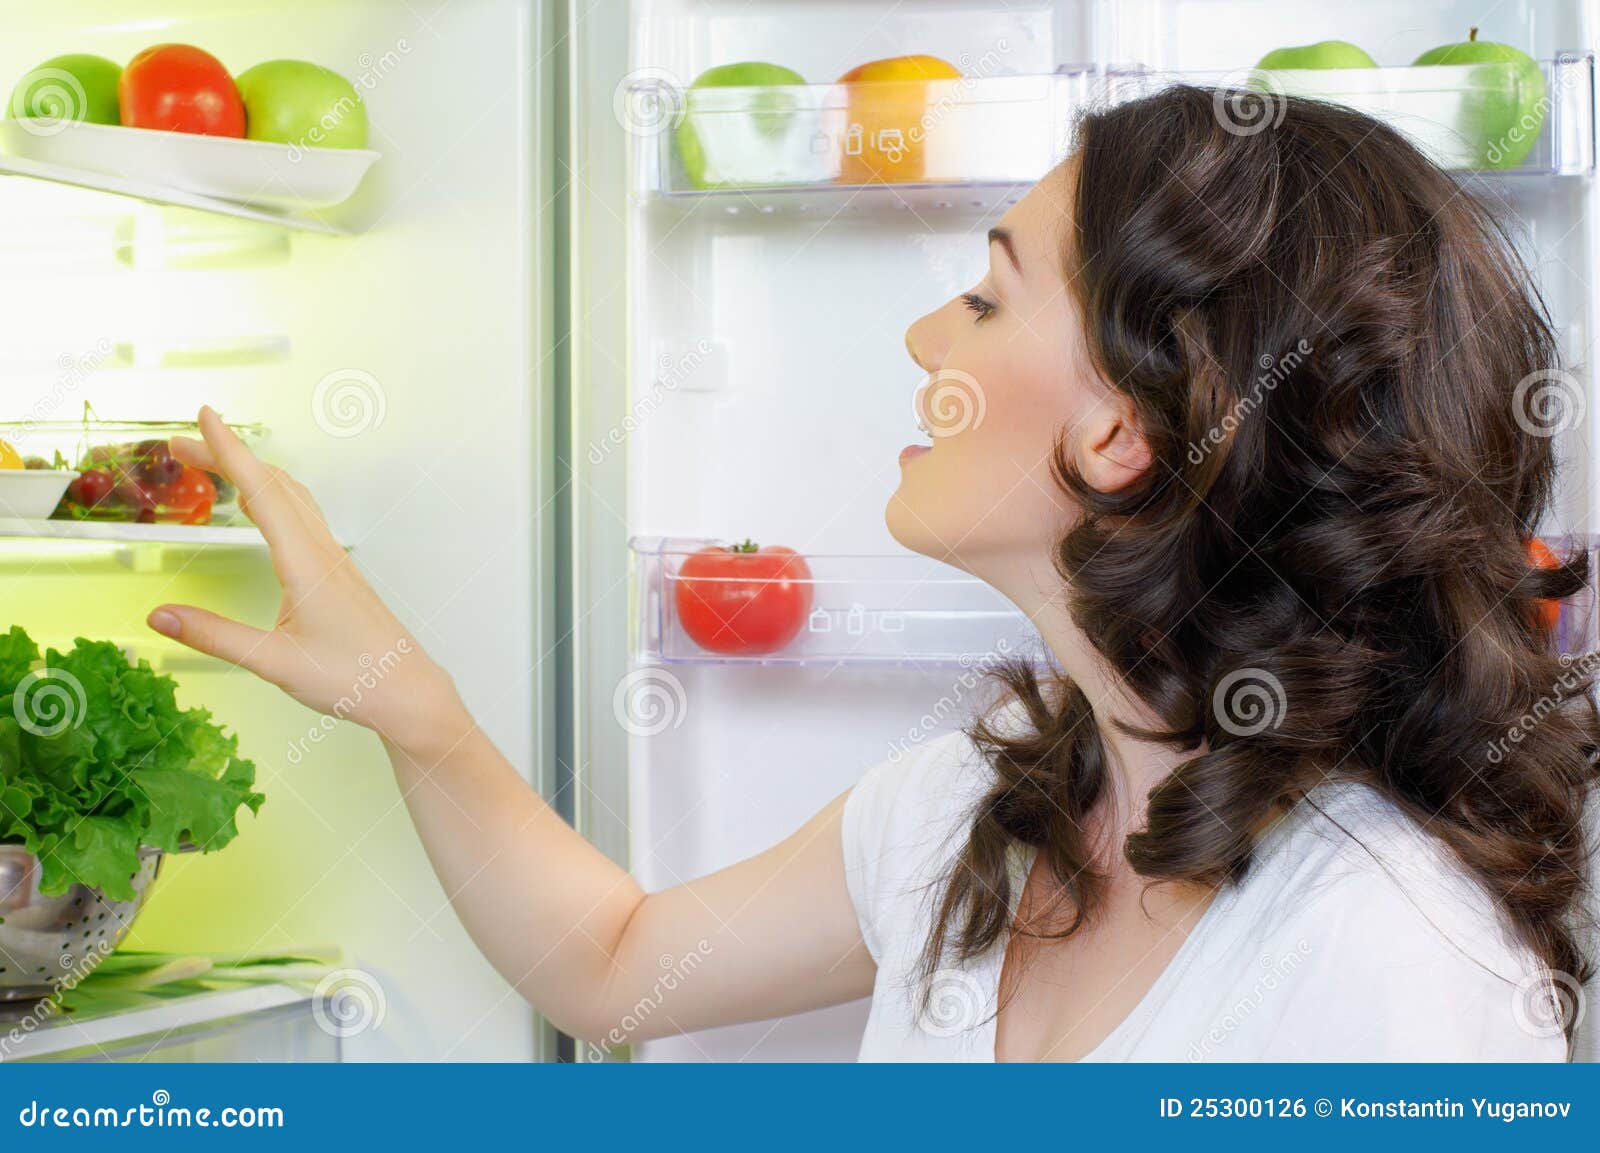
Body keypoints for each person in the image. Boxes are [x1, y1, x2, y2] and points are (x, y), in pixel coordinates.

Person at [149, 86, 1595, 1061]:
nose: (925, 340)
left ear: (1123, 427)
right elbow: (611, 960)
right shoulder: (966, 816)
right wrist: (412, 700)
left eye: (985, 295)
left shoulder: (1391, 966)